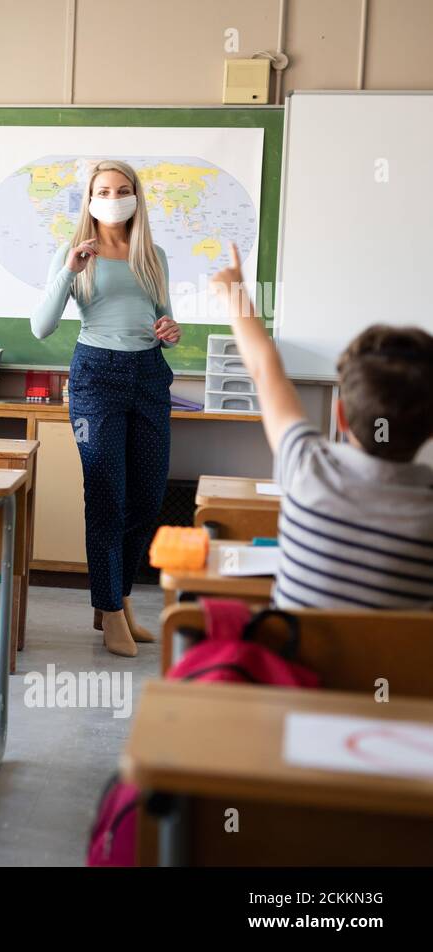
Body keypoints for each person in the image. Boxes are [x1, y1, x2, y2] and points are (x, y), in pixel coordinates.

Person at [212, 243, 433, 609]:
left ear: (341, 415)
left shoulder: (307, 466)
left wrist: (235, 295)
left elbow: (265, 370)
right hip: (395, 669)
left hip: (299, 665)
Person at [30, 160, 181, 657]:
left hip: (150, 376)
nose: (114, 197)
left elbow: (165, 320)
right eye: (103, 190)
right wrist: (68, 272)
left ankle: (116, 598)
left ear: (136, 196)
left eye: (122, 189)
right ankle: (111, 612)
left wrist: (171, 332)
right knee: (107, 499)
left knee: (148, 497)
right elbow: (41, 327)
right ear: (89, 199)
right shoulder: (75, 255)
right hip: (96, 376)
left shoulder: (152, 254)